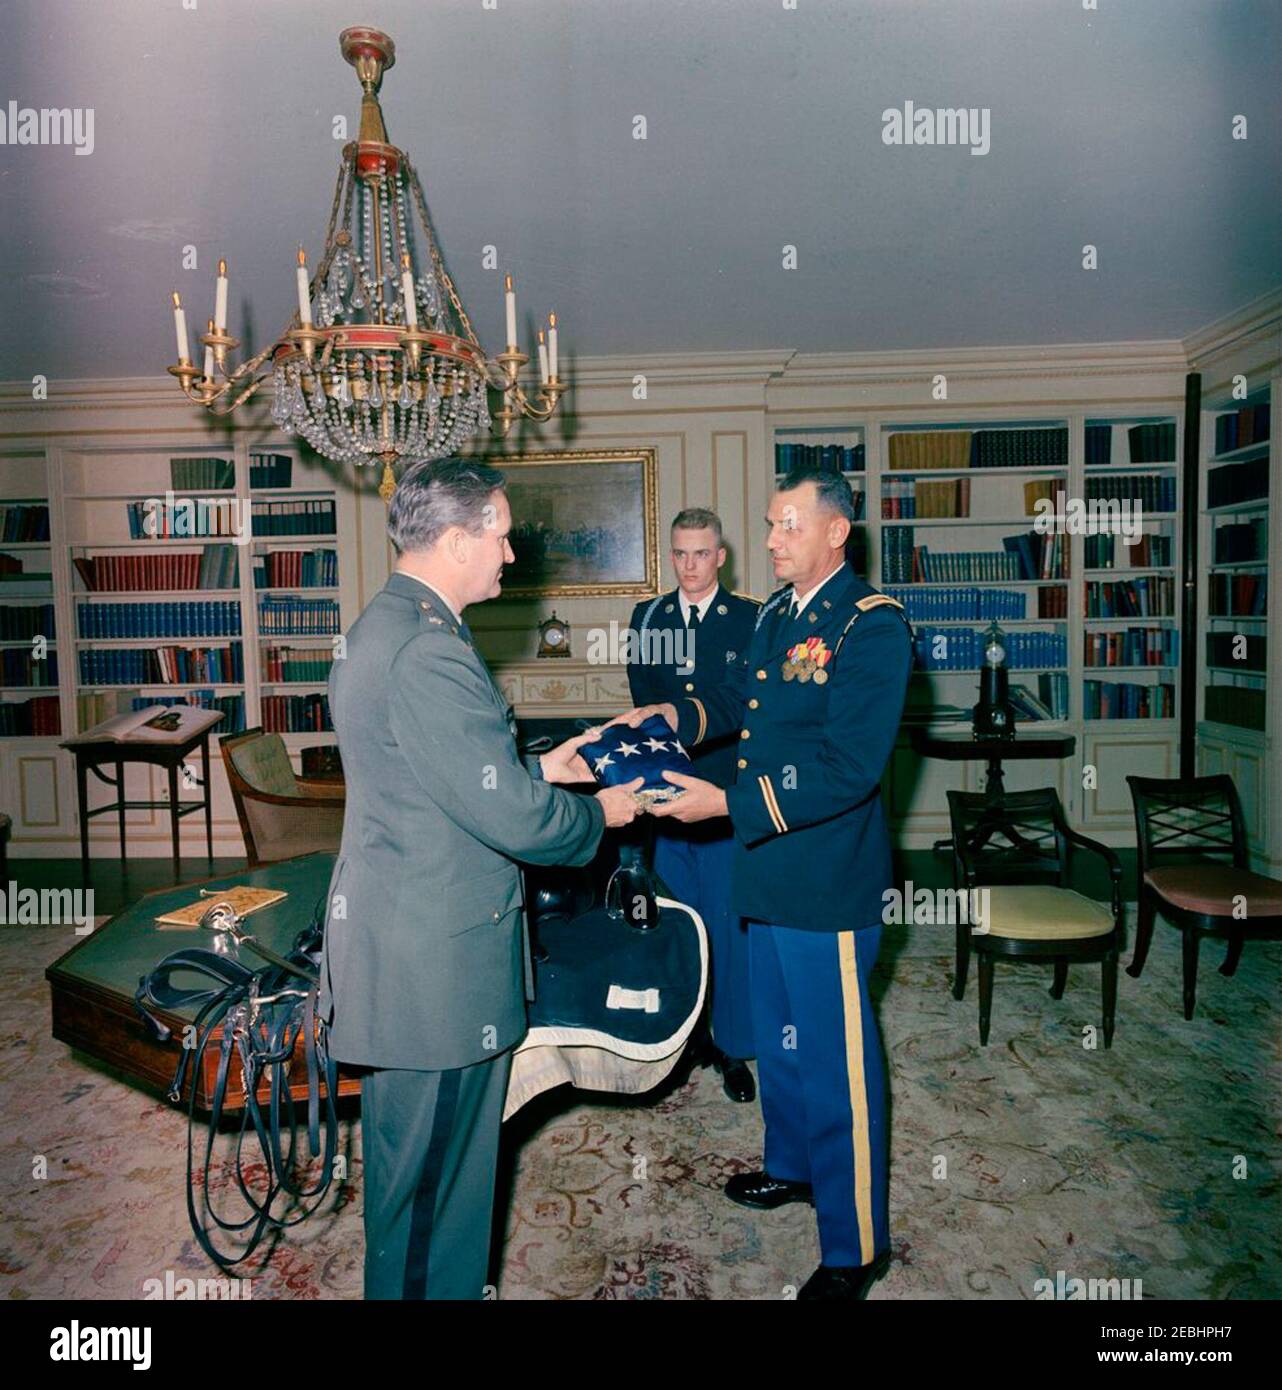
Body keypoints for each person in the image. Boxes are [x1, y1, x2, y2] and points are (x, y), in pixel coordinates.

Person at [318, 457, 642, 1300]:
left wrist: (547, 765)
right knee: (433, 1205)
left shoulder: (387, 629)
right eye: (499, 536)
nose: (509, 555)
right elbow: (513, 822)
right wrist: (599, 814)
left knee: (428, 1193)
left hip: (409, 955)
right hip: (436, 981)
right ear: (458, 539)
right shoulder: (428, 650)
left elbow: (442, 779)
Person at [638, 467, 913, 1301]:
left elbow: (848, 766)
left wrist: (725, 799)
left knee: (836, 1063)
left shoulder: (873, 626)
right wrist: (665, 719)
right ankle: (794, 1166)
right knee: (782, 1040)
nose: (769, 541)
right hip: (765, 869)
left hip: (824, 881)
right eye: (768, 525)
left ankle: (857, 1244)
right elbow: (737, 701)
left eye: (787, 526)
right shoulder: (778, 616)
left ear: (836, 532)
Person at [626, 508, 759, 1102]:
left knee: (728, 927)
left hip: (723, 800)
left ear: (720, 555)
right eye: (680, 554)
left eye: (701, 554)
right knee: (678, 923)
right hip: (667, 800)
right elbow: (644, 709)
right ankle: (679, 1042)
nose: (689, 566)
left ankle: (730, 1044)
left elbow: (750, 715)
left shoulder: (751, 619)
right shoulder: (648, 617)